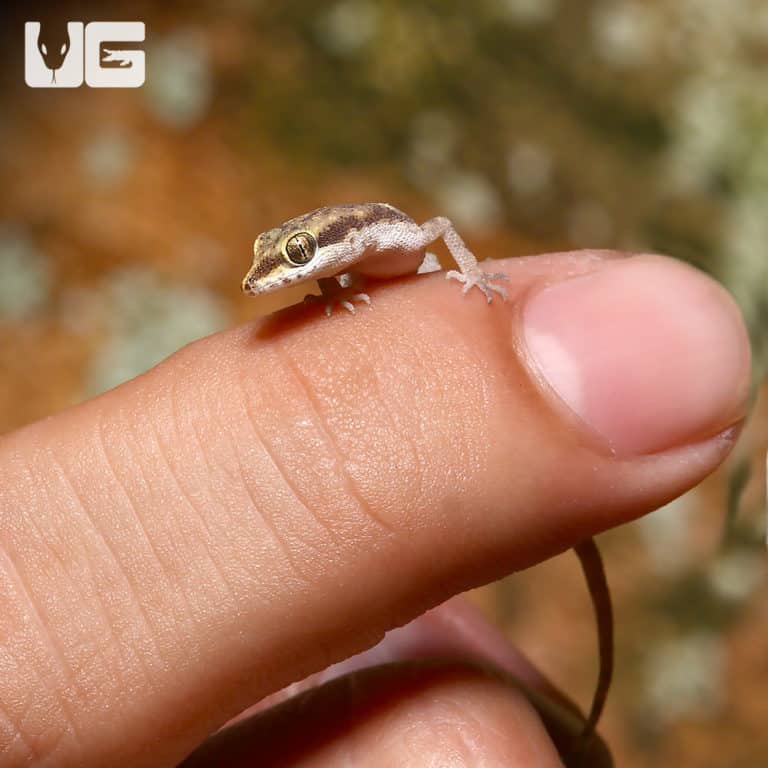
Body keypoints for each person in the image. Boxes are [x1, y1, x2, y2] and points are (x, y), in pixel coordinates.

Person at [0, 251, 750, 767]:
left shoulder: (379, 234)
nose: (271, 281)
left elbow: (426, 235)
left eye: (290, 260)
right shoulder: (344, 264)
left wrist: (468, 279)